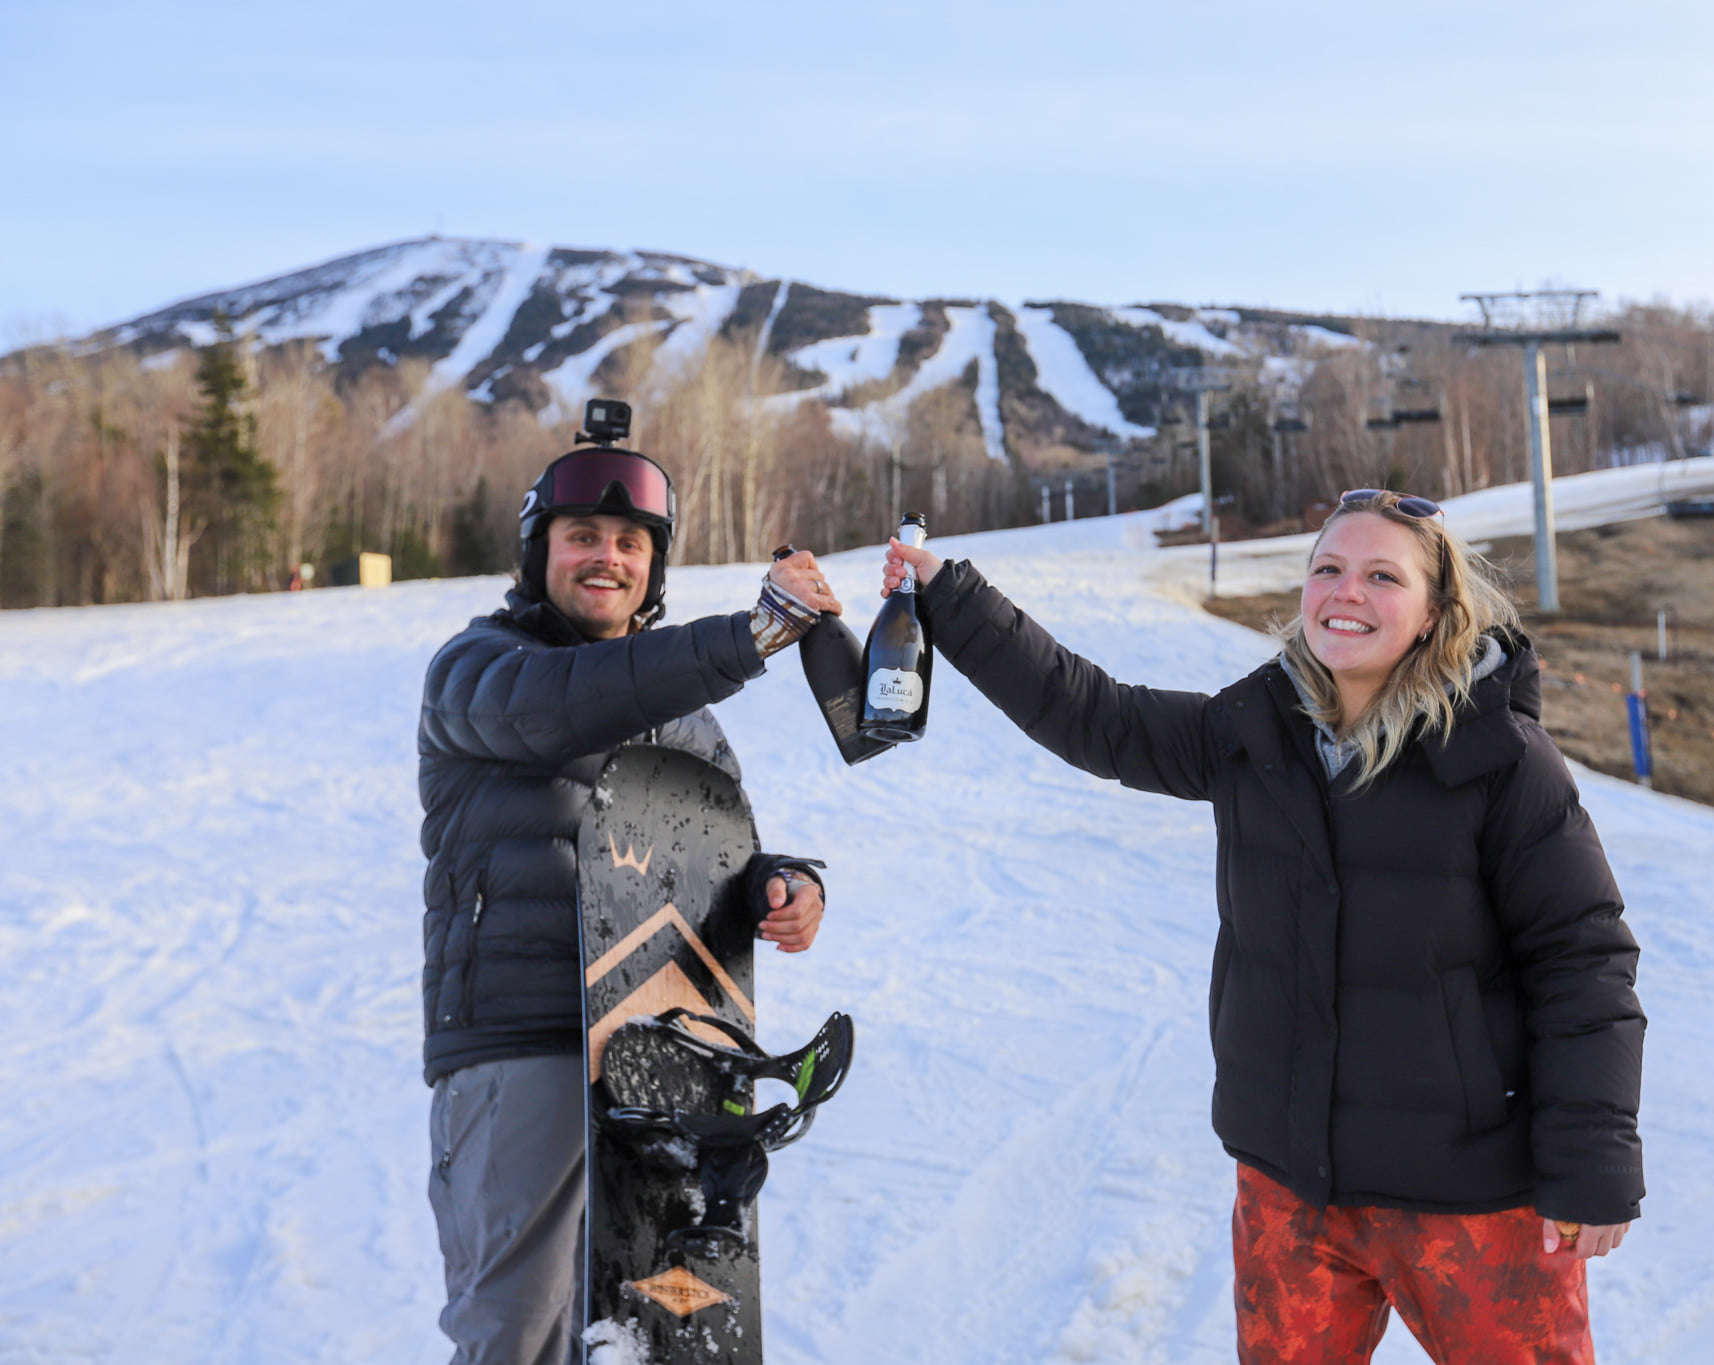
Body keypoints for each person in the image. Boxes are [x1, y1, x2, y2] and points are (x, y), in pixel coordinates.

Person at [883, 489, 1644, 1364]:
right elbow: (1093, 715)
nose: (1345, 591)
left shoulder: (1503, 761)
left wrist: (1592, 1163)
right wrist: (952, 595)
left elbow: (1583, 961)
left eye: (1381, 576)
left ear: (1436, 613)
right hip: (1294, 1191)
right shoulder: (1253, 735)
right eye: (1328, 568)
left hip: (1468, 1194)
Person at [417, 433, 842, 1365]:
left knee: (649, 1326)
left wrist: (786, 885)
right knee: (516, 1327)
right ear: (541, 553)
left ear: (652, 567)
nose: (607, 555)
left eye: (630, 541)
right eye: (582, 535)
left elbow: (722, 850)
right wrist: (747, 637)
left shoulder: (685, 713)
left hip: (659, 1052)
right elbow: (566, 705)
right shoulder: (478, 670)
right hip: (518, 1041)